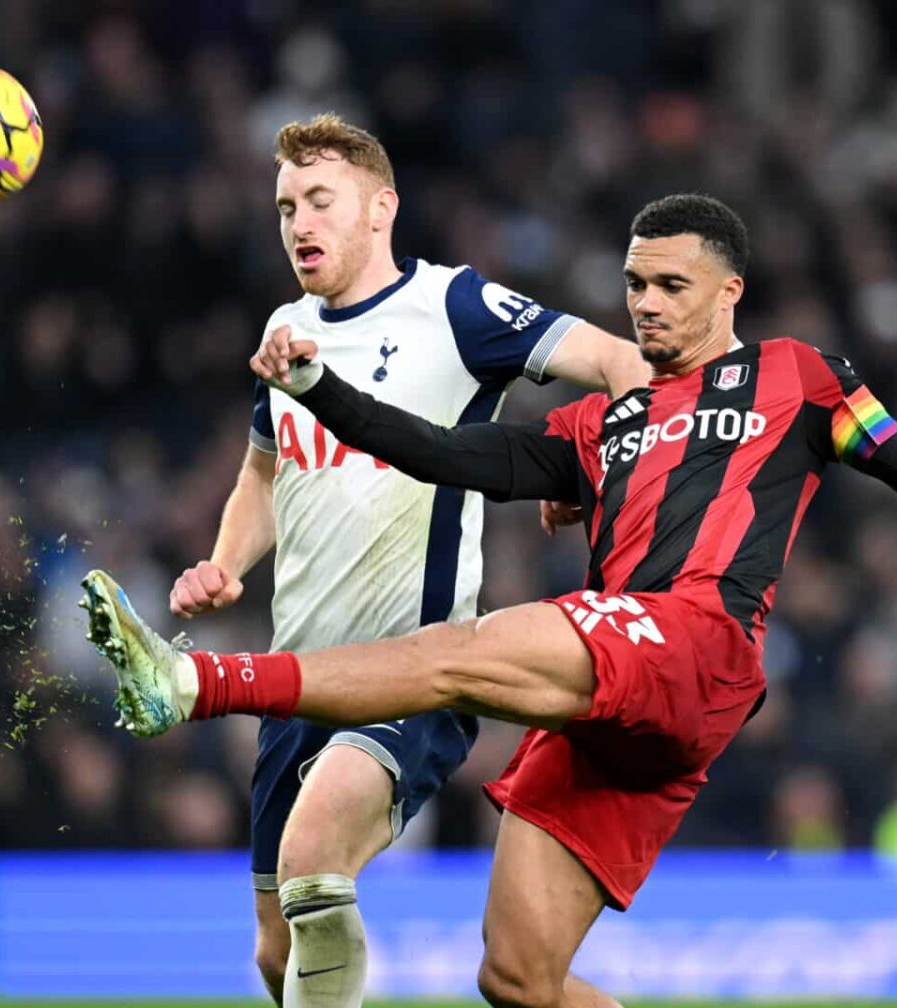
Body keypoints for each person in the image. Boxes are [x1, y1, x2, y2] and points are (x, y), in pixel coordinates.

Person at [85, 194, 897, 1008]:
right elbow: (444, 452)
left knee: (461, 650)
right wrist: (319, 390)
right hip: (621, 695)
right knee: (516, 979)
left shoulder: (800, 378)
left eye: (671, 287)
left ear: (729, 291)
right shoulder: (599, 427)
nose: (645, 305)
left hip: (696, 642)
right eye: (636, 285)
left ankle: (196, 682)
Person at [163, 114, 648, 1008]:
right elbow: (262, 474)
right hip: (296, 681)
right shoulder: (286, 331)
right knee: (277, 956)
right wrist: (226, 562)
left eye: (320, 201)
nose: (299, 224)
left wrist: (584, 458)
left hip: (413, 673)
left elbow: (624, 364)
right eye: (284, 208)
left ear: (381, 208)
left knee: (313, 866)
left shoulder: (455, 308)